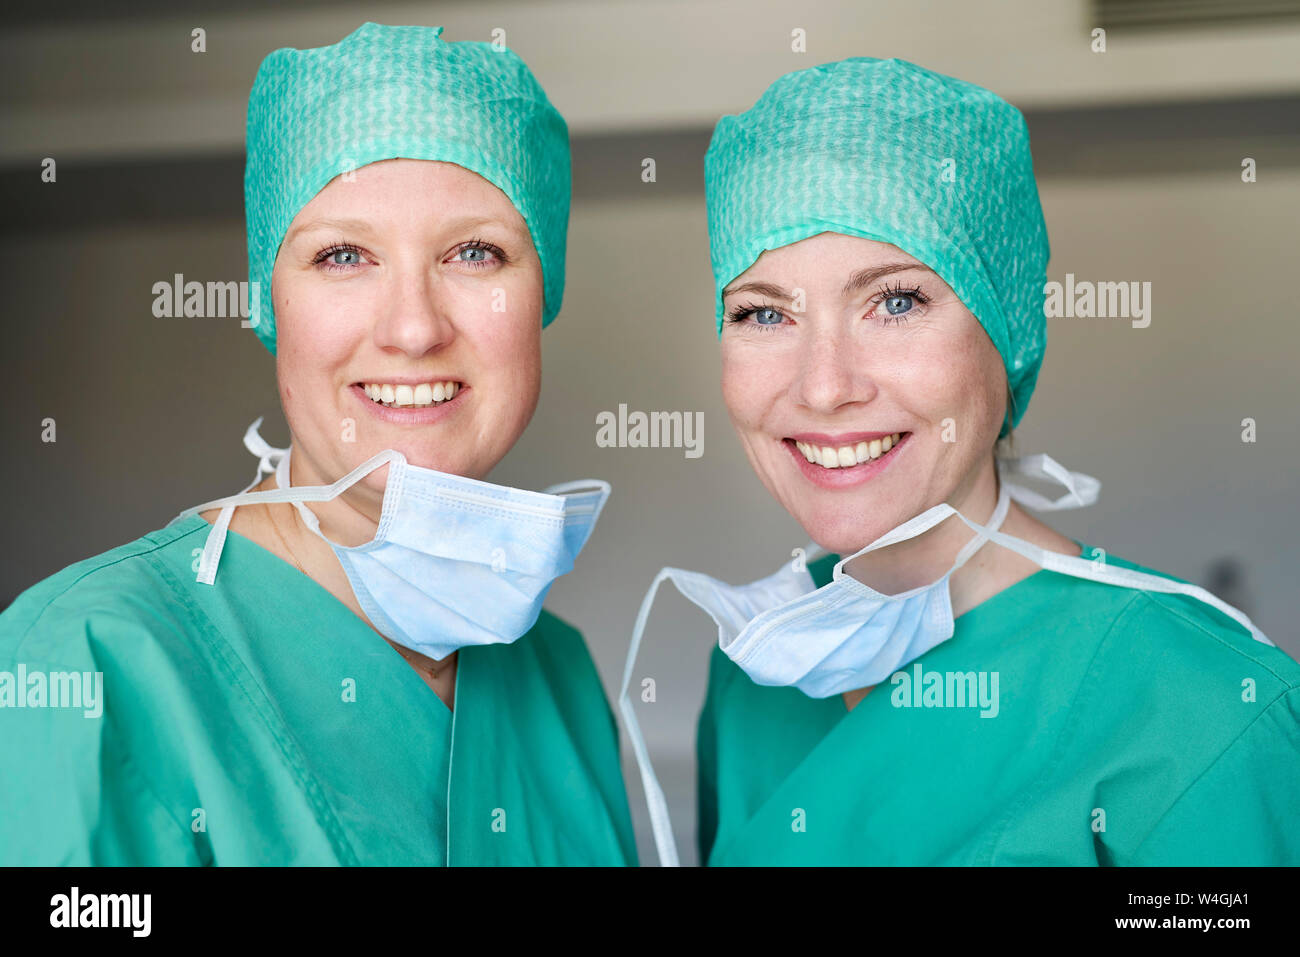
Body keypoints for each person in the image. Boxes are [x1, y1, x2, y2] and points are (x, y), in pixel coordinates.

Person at [619, 58, 1300, 867]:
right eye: (764, 311)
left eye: (896, 301)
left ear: (1004, 331)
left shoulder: (1208, 710)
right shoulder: (762, 671)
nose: (824, 386)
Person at [0, 23, 636, 866]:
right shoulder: (84, 661)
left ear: (541, 292)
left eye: (475, 252)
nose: (413, 327)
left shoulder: (557, 678)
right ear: (271, 302)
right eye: (343, 255)